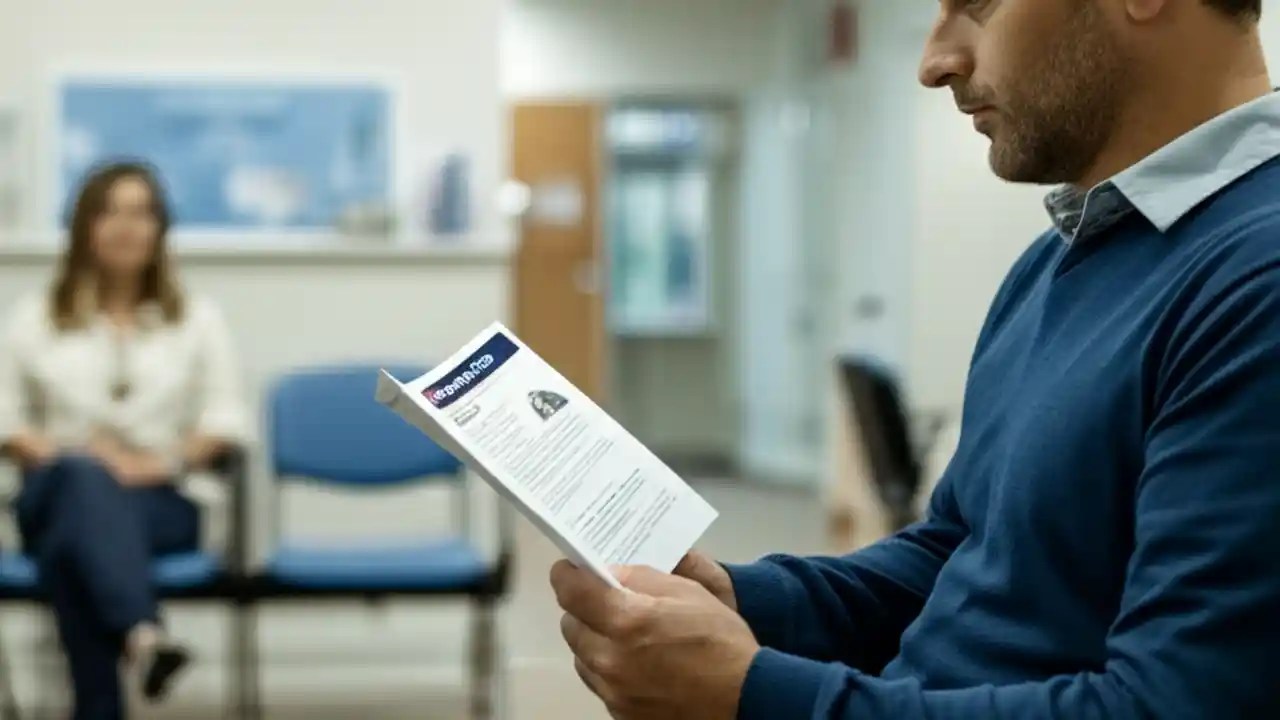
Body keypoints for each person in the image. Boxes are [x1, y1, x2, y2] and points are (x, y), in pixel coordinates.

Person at [550, 0, 1280, 718]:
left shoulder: (1258, 281)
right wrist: (743, 601)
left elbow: (1178, 703)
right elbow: (958, 552)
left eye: (978, 4)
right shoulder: (1062, 256)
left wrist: (750, 695)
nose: (935, 62)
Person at [0, 162, 249, 720]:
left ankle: (111, 688)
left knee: (74, 545)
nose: (125, 226)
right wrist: (79, 460)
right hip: (54, 485)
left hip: (162, 498)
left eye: (140, 212)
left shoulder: (196, 319)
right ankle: (143, 632)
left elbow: (226, 421)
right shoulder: (35, 317)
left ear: (161, 227)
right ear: (82, 225)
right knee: (81, 486)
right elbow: (5, 420)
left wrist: (153, 464)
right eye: (108, 211)